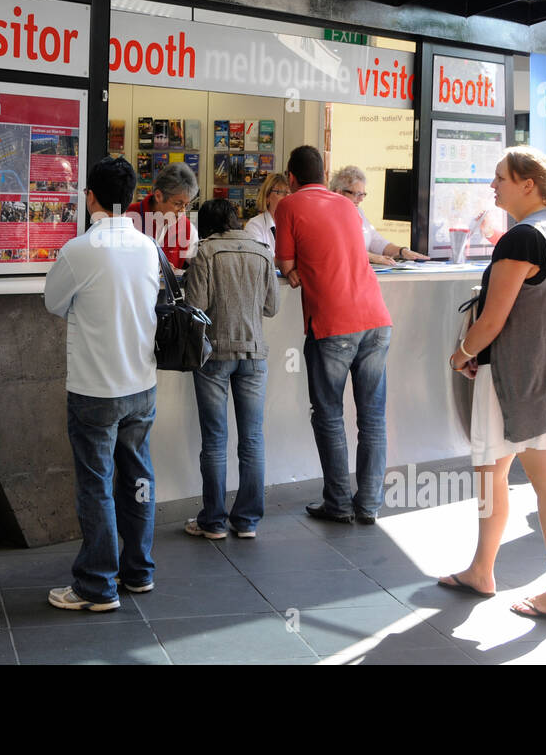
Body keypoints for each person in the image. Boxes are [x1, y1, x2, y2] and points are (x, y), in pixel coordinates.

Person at [440, 146, 546, 621]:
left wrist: (461, 354)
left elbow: (492, 320)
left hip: (519, 382)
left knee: (543, 481)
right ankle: (483, 568)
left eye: (500, 177)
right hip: (540, 377)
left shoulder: (522, 238)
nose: (493, 185)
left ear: (528, 184)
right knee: (495, 471)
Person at [43, 156, 161, 611]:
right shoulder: (148, 247)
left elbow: (53, 301)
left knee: (97, 484)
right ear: (130, 198)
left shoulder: (79, 250)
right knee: (137, 477)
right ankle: (138, 572)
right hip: (141, 383)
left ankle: (96, 585)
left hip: (95, 386)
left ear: (89, 196)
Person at [275, 146, 392, 524]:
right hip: (376, 320)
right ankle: (369, 503)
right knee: (372, 418)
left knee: (328, 415)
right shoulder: (346, 206)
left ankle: (338, 503)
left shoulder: (289, 205)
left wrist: (299, 271)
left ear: (291, 177)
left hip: (333, 324)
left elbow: (286, 264)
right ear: (325, 176)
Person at [183, 198, 280, 539]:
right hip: (254, 355)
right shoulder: (262, 251)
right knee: (252, 439)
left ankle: (213, 522)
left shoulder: (205, 253)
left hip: (215, 355)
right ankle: (248, 521)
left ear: (207, 226)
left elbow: (196, 307)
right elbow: (271, 307)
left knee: (215, 440)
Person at [330, 165, 428, 265]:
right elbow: (341, 248)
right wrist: (372, 257)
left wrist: (402, 251)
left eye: (363, 194)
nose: (361, 199)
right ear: (339, 192)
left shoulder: (358, 211)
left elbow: (375, 240)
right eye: (357, 194)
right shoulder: (329, 215)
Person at [127, 162, 198, 271]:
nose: (182, 211)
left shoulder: (187, 228)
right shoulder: (128, 218)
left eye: (186, 205)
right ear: (158, 196)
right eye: (178, 204)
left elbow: (200, 267)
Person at [245, 173, 289, 249]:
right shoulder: (254, 226)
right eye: (280, 192)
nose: (287, 196)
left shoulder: (294, 224)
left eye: (288, 192)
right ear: (267, 197)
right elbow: (259, 259)